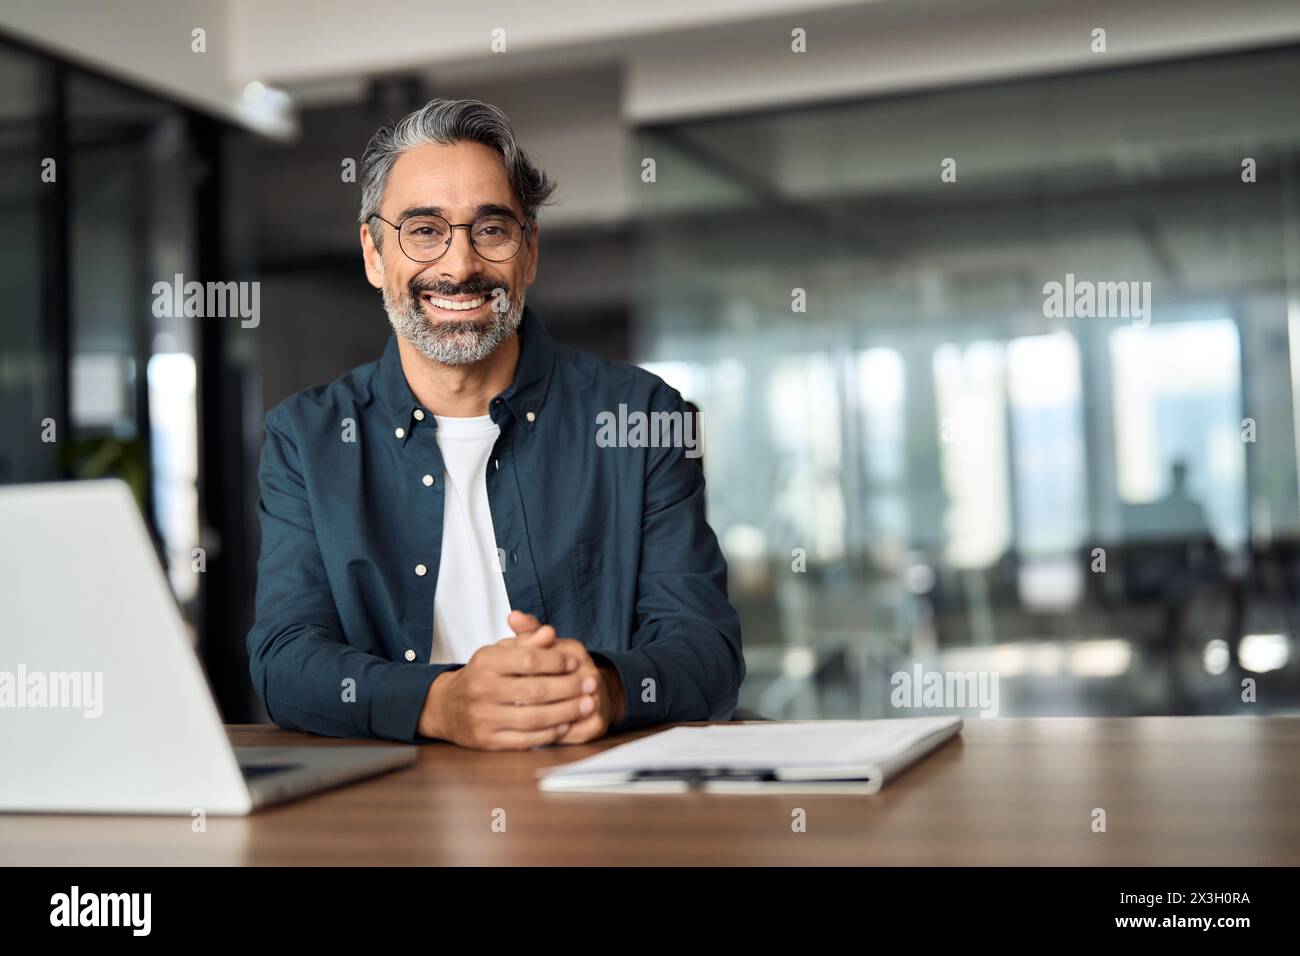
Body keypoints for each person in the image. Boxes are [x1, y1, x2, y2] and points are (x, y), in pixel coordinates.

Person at [246, 98, 744, 750]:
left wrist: (603, 685)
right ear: (373, 253)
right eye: (423, 231)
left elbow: (706, 650)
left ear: (529, 251)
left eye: (491, 230)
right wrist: (439, 702)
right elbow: (284, 661)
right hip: (392, 816)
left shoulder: (642, 417)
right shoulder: (306, 439)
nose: (459, 267)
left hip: (599, 808)